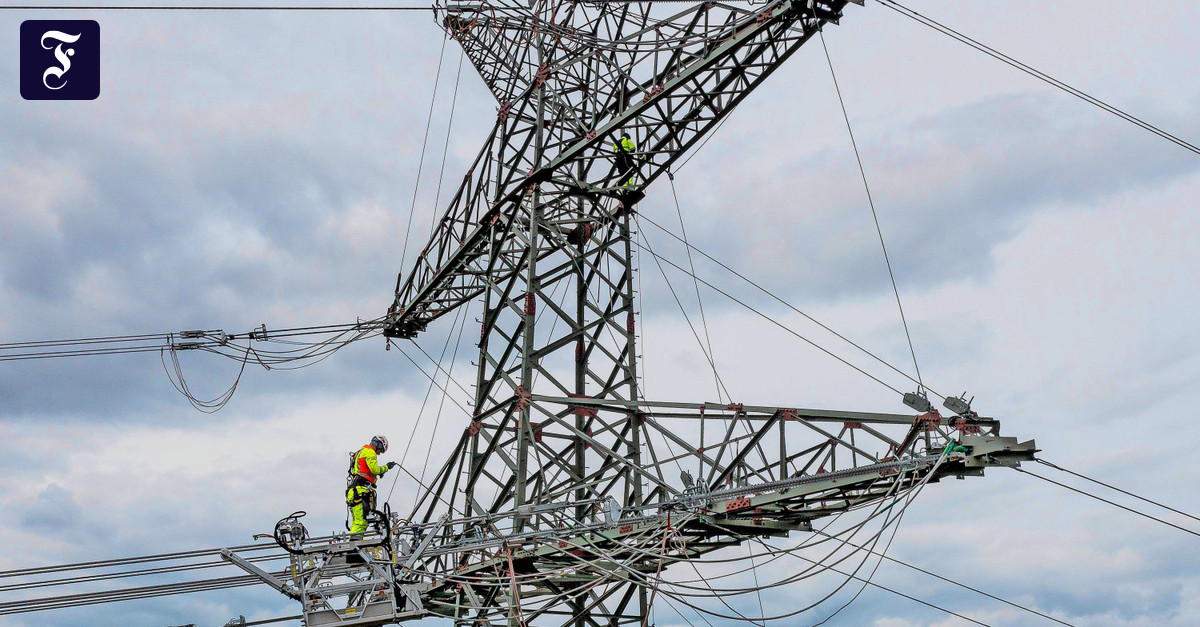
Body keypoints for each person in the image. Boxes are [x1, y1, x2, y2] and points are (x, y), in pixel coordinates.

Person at [345, 435, 396, 536]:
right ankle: (354, 547)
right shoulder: (370, 452)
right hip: (360, 491)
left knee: (358, 523)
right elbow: (375, 469)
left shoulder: (361, 452)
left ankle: (354, 544)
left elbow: (364, 470)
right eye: (380, 450)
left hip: (355, 492)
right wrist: (386, 467)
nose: (379, 453)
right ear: (378, 445)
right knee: (361, 523)